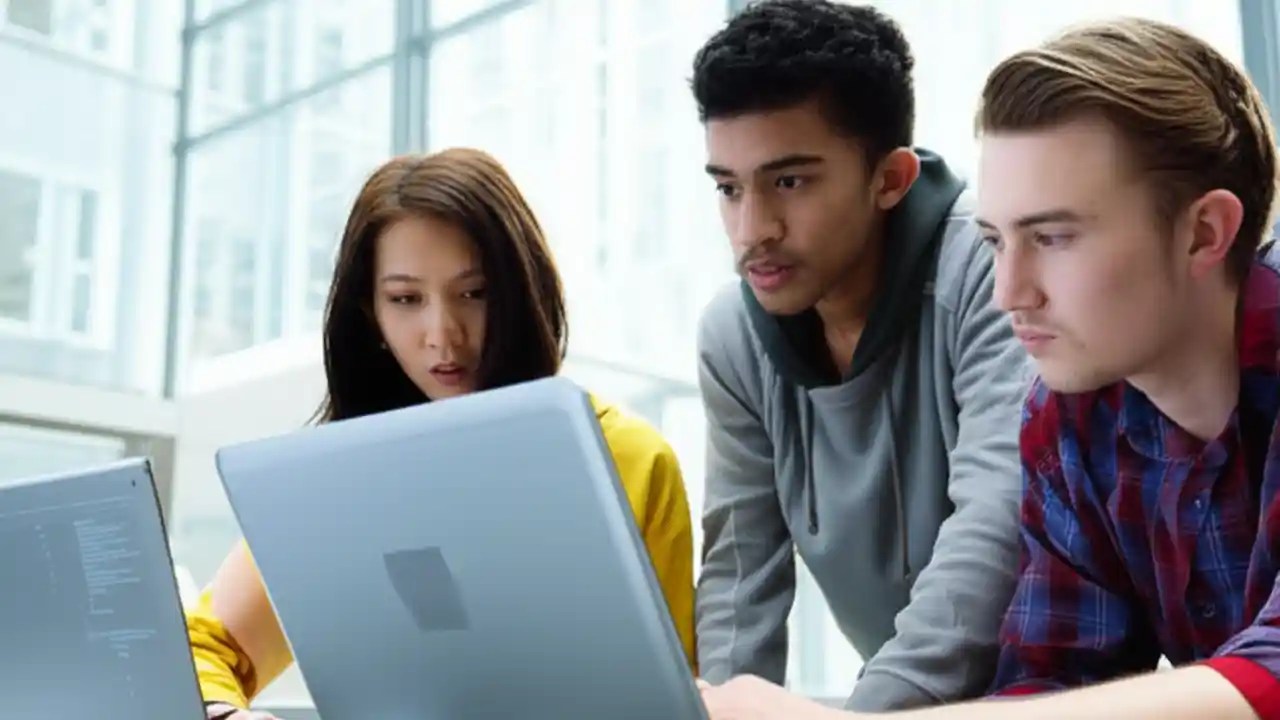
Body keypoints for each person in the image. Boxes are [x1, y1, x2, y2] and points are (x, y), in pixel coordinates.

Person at [698, 15, 1280, 720]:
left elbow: (1268, 677)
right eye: (996, 241)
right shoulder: (1069, 415)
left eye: (1054, 237)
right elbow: (1052, 679)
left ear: (1205, 232)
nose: (1010, 292)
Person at [187, 148, 698, 720]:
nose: (442, 335)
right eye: (406, 299)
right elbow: (203, 649)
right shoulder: (339, 478)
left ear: (521, 290)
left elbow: (670, 701)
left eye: (474, 293)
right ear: (371, 314)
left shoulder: (626, 458)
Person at [691, 0, 1028, 711]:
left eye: (789, 182)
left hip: (1050, 698)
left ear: (892, 178)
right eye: (728, 188)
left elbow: (996, 527)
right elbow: (739, 580)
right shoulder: (733, 336)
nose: (751, 230)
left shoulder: (994, 269)